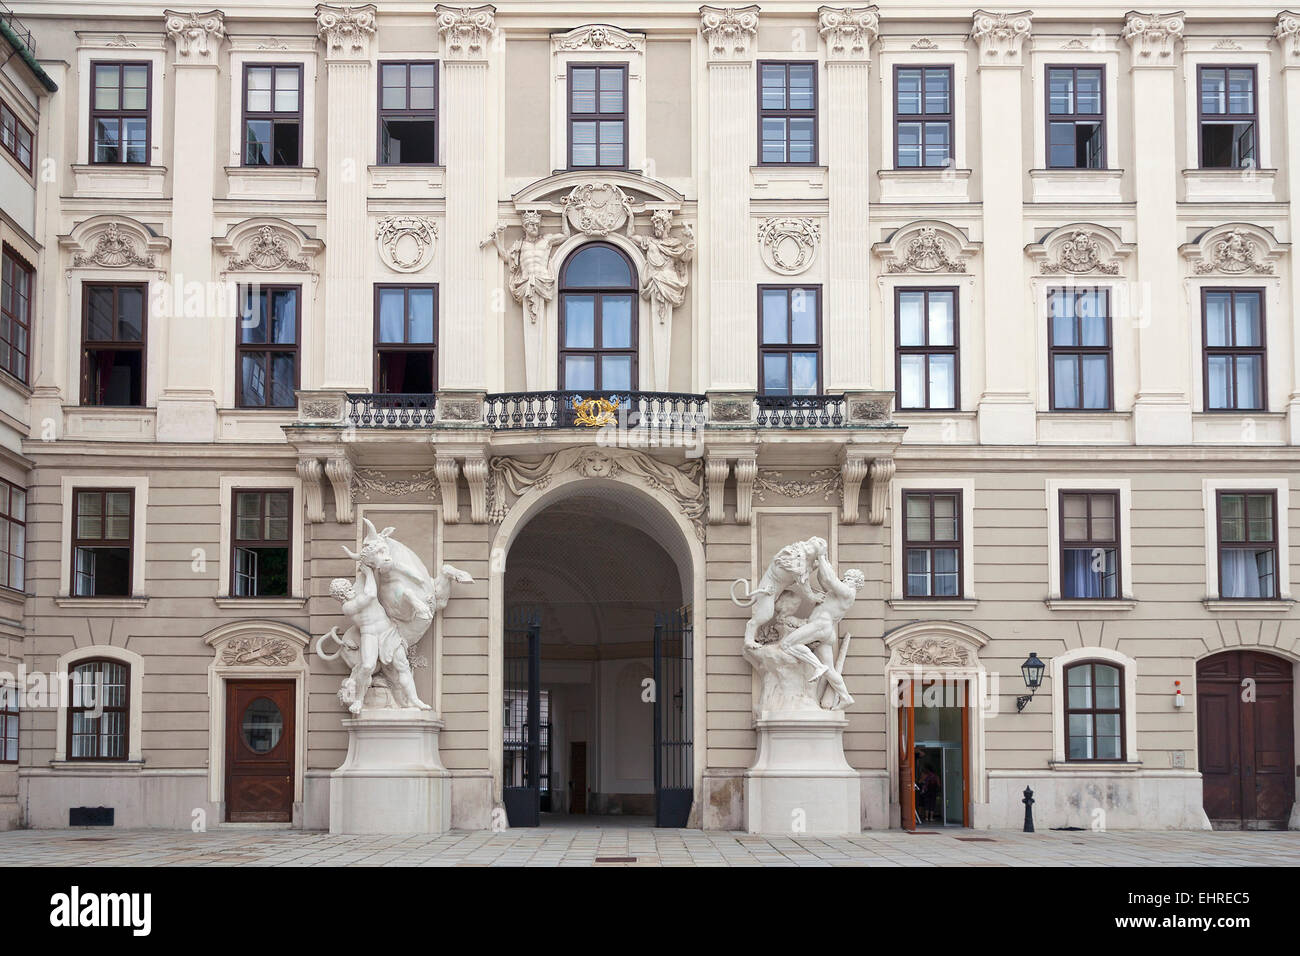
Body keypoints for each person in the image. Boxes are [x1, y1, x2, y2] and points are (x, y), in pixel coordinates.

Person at [329, 563, 429, 714]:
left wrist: (367, 565)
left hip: (388, 631)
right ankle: (359, 700)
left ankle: (414, 700)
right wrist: (368, 572)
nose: (349, 592)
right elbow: (370, 595)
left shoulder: (358, 590)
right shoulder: (348, 607)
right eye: (344, 593)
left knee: (402, 664)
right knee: (367, 666)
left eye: (349, 588)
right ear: (340, 598)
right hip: (369, 635)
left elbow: (368, 582)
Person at [776, 551, 864, 710]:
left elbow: (831, 579)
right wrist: (822, 559)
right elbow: (824, 579)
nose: (845, 580)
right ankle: (845, 697)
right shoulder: (838, 593)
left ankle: (817, 666)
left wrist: (822, 556)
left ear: (856, 583)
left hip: (821, 626)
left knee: (787, 645)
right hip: (826, 631)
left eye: (849, 579)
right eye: (845, 578)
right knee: (830, 669)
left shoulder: (848, 593)